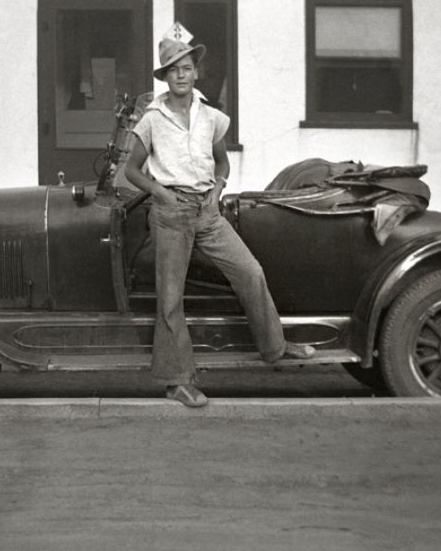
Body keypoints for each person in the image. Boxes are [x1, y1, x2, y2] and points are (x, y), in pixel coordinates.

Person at [123, 36, 315, 407]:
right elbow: (132, 170)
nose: (181, 75)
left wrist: (219, 187)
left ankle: (274, 348)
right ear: (164, 77)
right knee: (170, 300)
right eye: (173, 70)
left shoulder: (210, 116)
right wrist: (161, 193)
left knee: (250, 271)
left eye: (187, 68)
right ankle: (178, 382)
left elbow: (222, 162)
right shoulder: (152, 120)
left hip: (207, 212)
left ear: (196, 73)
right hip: (170, 214)